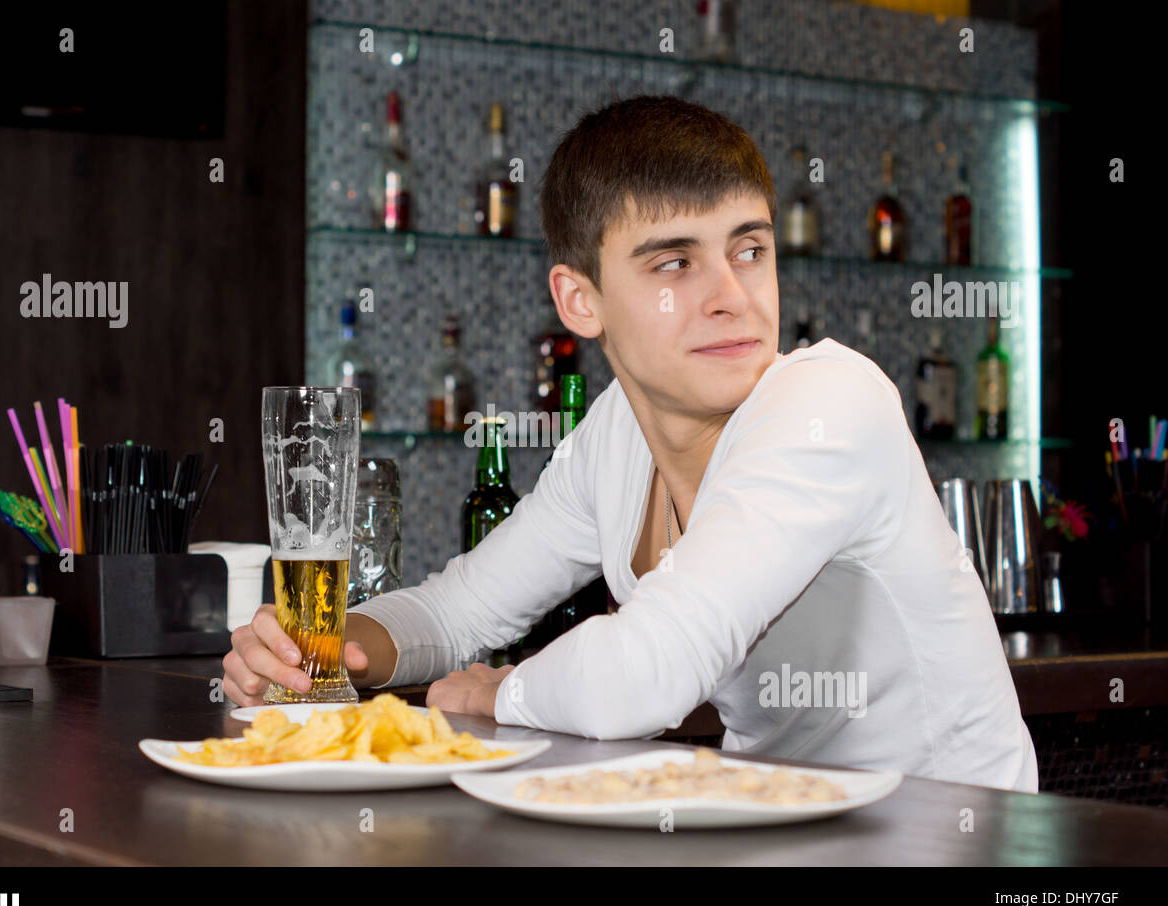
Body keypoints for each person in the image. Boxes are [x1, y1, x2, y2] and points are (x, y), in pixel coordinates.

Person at [223, 94, 1038, 792]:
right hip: (783, 830)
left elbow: (647, 676)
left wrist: (499, 692)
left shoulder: (831, 402)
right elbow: (456, 608)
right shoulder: (617, 435)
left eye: (749, 251)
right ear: (580, 300)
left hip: (949, 840)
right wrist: (319, 651)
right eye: (674, 263)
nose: (732, 298)